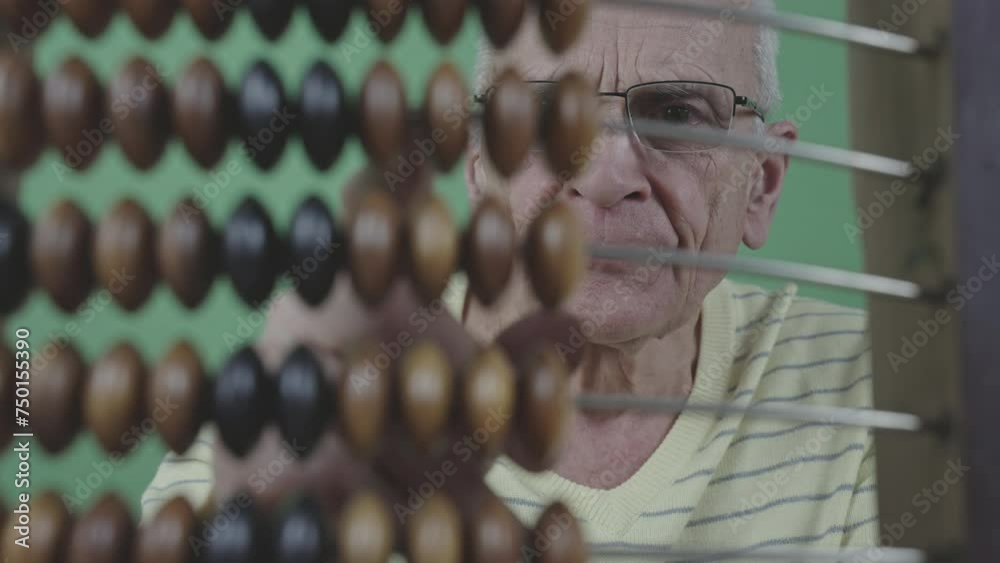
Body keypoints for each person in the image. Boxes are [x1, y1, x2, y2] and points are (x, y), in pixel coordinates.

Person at [141, 0, 877, 557]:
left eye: (680, 113)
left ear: (764, 184)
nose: (608, 172)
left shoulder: (887, 401)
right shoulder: (299, 429)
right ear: (479, 169)